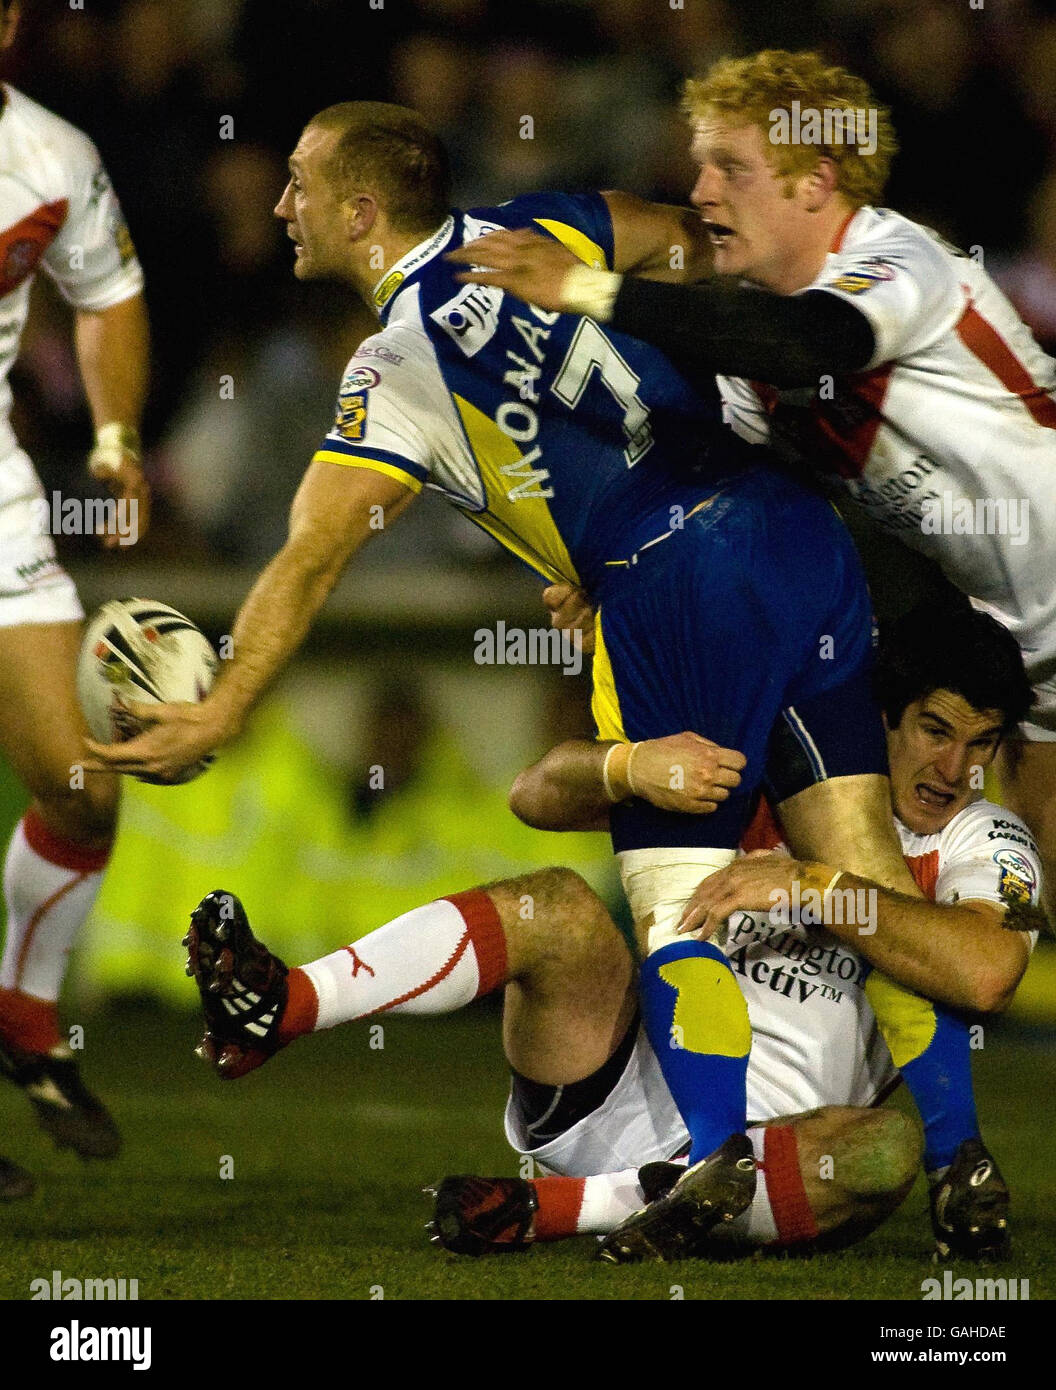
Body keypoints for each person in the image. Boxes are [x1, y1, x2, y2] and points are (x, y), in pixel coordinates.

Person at [84, 102, 954, 1245]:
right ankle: (293, 1004)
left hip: (693, 594)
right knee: (575, 901)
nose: (282, 204)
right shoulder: (541, 231)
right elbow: (687, 241)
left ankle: (605, 1198)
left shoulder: (399, 363)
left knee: (867, 1126)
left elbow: (311, 551)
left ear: (360, 211)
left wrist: (228, 703)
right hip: (737, 570)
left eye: (298, 183)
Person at [179, 603, 1041, 1263]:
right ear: (882, 715)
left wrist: (816, 888)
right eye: (935, 730)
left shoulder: (981, 839)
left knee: (886, 1150)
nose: (955, 769)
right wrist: (628, 764)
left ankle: (560, 1208)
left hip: (788, 1158)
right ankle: (285, 1004)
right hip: (615, 1077)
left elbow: (988, 971)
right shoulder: (770, 769)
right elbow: (535, 796)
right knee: (554, 904)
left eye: (982, 744)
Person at [446, 47, 1056, 925]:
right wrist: (611, 576)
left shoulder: (900, 262)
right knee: (1008, 914)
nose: (699, 192)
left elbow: (805, 342)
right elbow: (717, 502)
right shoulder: (745, 372)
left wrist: (587, 286)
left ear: (817, 180)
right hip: (1006, 642)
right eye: (700, 166)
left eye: (730, 167)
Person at [0, 0, 150, 1197]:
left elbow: (105, 294)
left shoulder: (53, 155)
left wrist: (112, 429)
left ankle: (24, 1012)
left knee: (81, 786)